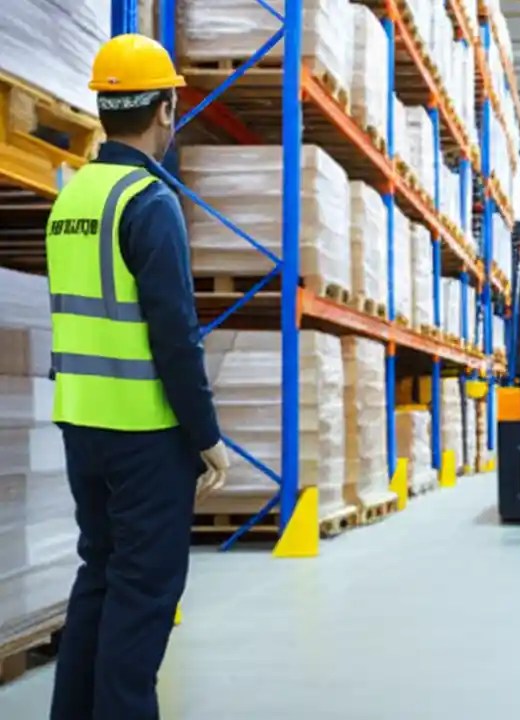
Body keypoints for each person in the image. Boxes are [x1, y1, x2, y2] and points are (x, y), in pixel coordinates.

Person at [47, 34, 228, 720]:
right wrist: (205, 435)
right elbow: (175, 336)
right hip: (144, 434)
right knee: (145, 595)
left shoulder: (72, 198)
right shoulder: (148, 201)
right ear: (165, 110)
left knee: (99, 576)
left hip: (80, 423)